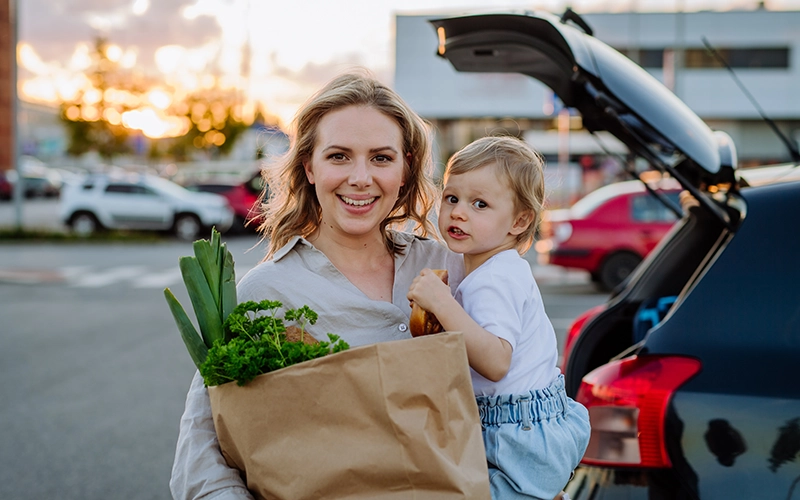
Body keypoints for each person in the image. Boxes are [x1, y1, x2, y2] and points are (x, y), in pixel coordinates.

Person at [169, 72, 464, 499]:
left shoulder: (450, 267)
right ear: (309, 166)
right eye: (339, 156)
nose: (360, 178)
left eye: (381, 158)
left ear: (405, 170)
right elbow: (202, 445)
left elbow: (523, 376)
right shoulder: (268, 292)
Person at [407, 136, 591, 500]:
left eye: (480, 204)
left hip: (516, 435)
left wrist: (441, 303)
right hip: (529, 425)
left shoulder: (495, 279)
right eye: (452, 198)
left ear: (519, 221)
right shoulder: (486, 265)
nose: (459, 212)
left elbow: (495, 361)